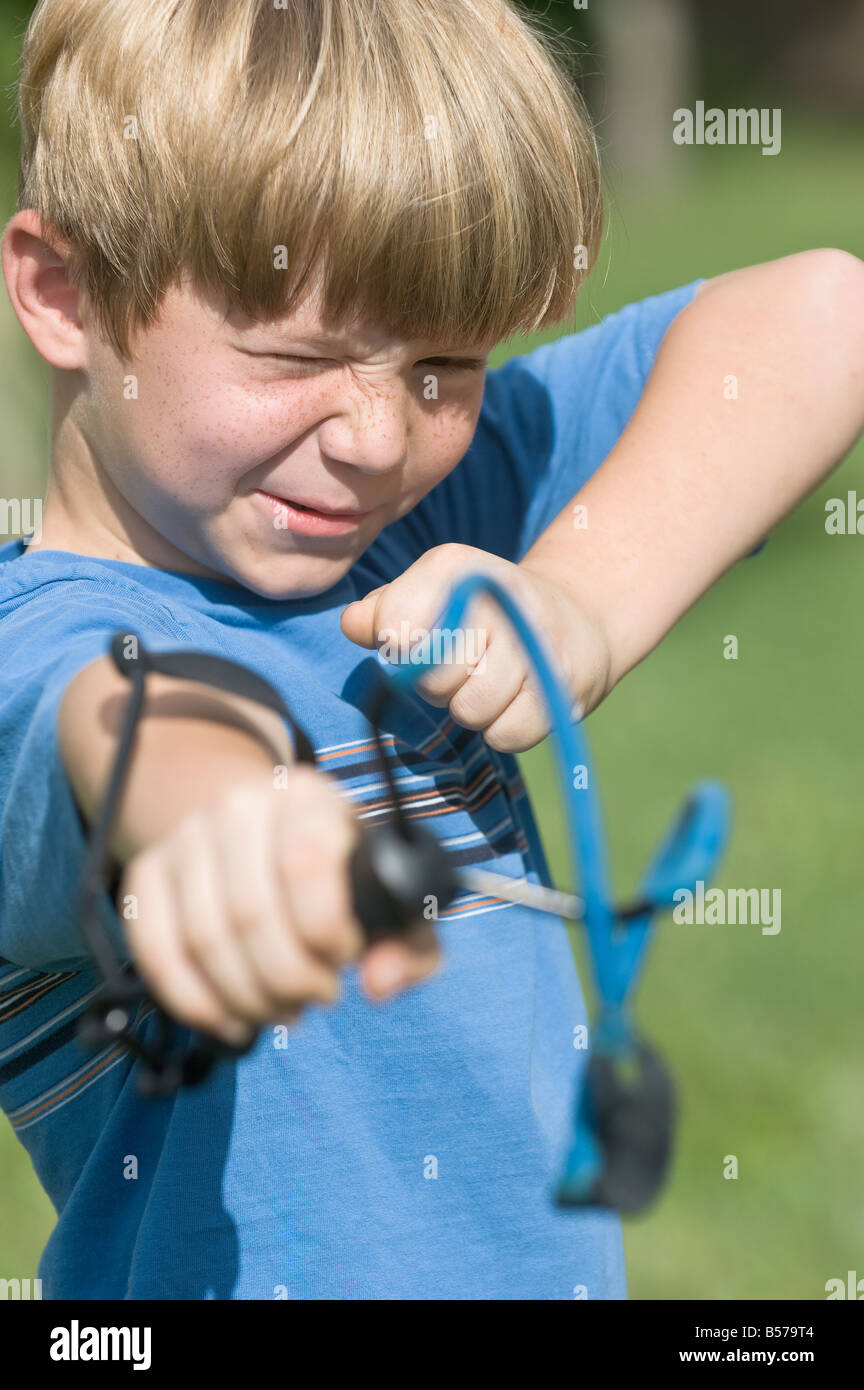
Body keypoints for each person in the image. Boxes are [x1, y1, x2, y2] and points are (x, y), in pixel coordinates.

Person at [1, 0, 862, 1301]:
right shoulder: (35, 645)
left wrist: (579, 597)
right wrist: (230, 822)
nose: (375, 439)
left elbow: (824, 316)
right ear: (64, 293)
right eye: (294, 354)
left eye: (445, 365)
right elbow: (124, 727)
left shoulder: (416, 521)